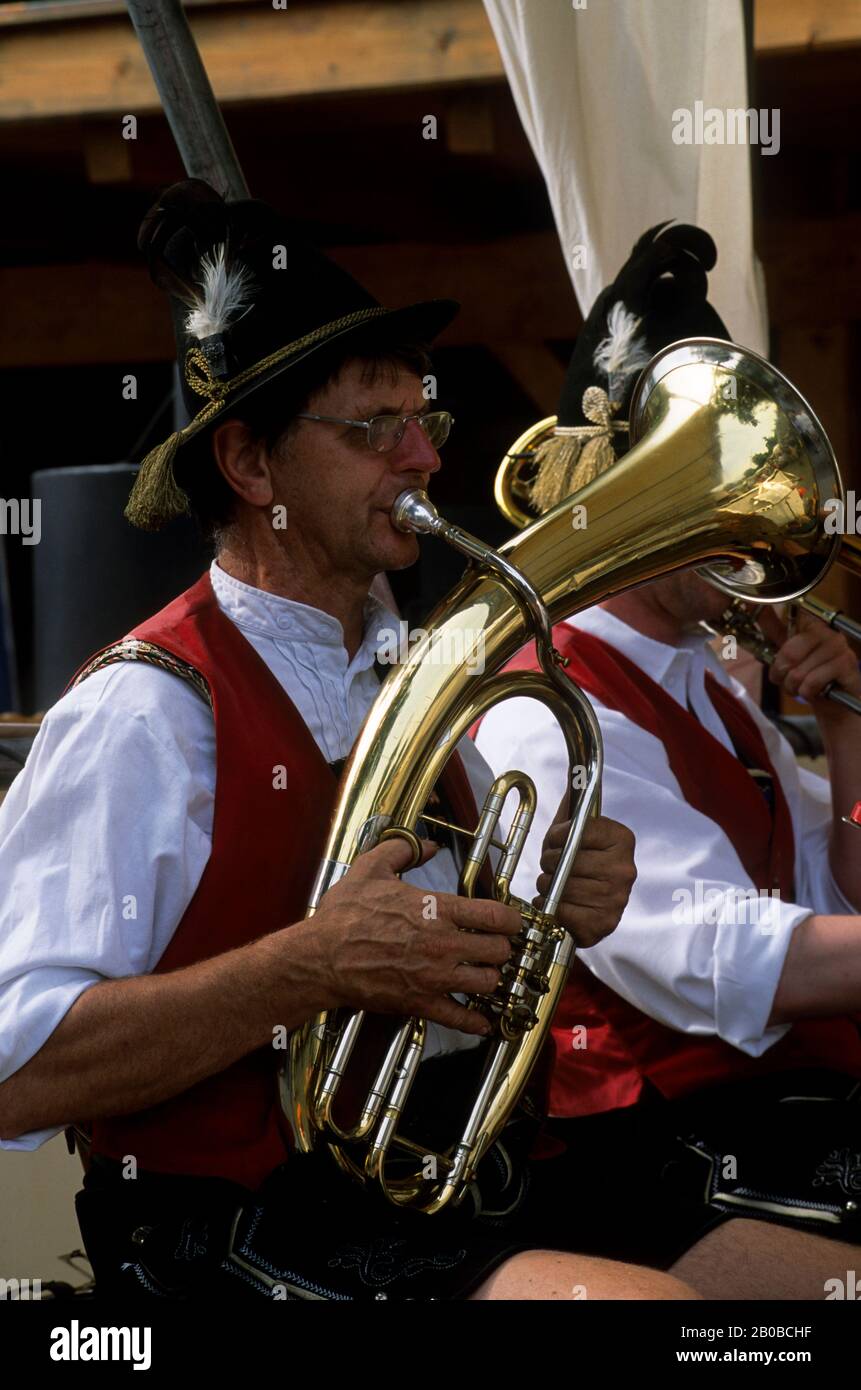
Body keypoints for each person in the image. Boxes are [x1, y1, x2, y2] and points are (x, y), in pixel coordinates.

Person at [0, 181, 696, 1303]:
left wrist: (546, 904)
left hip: (463, 1185)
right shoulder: (143, 713)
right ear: (253, 467)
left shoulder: (417, 667)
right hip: (236, 1236)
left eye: (427, 419)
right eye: (376, 427)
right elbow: (15, 1069)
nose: (424, 456)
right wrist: (309, 964)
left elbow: (432, 976)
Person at [475, 222, 861, 1300]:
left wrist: (844, 730)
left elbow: (840, 890)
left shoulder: (714, 688)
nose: (748, 526)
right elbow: (711, 955)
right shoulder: (544, 706)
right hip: (658, 1165)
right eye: (717, 492)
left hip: (782, 1125)